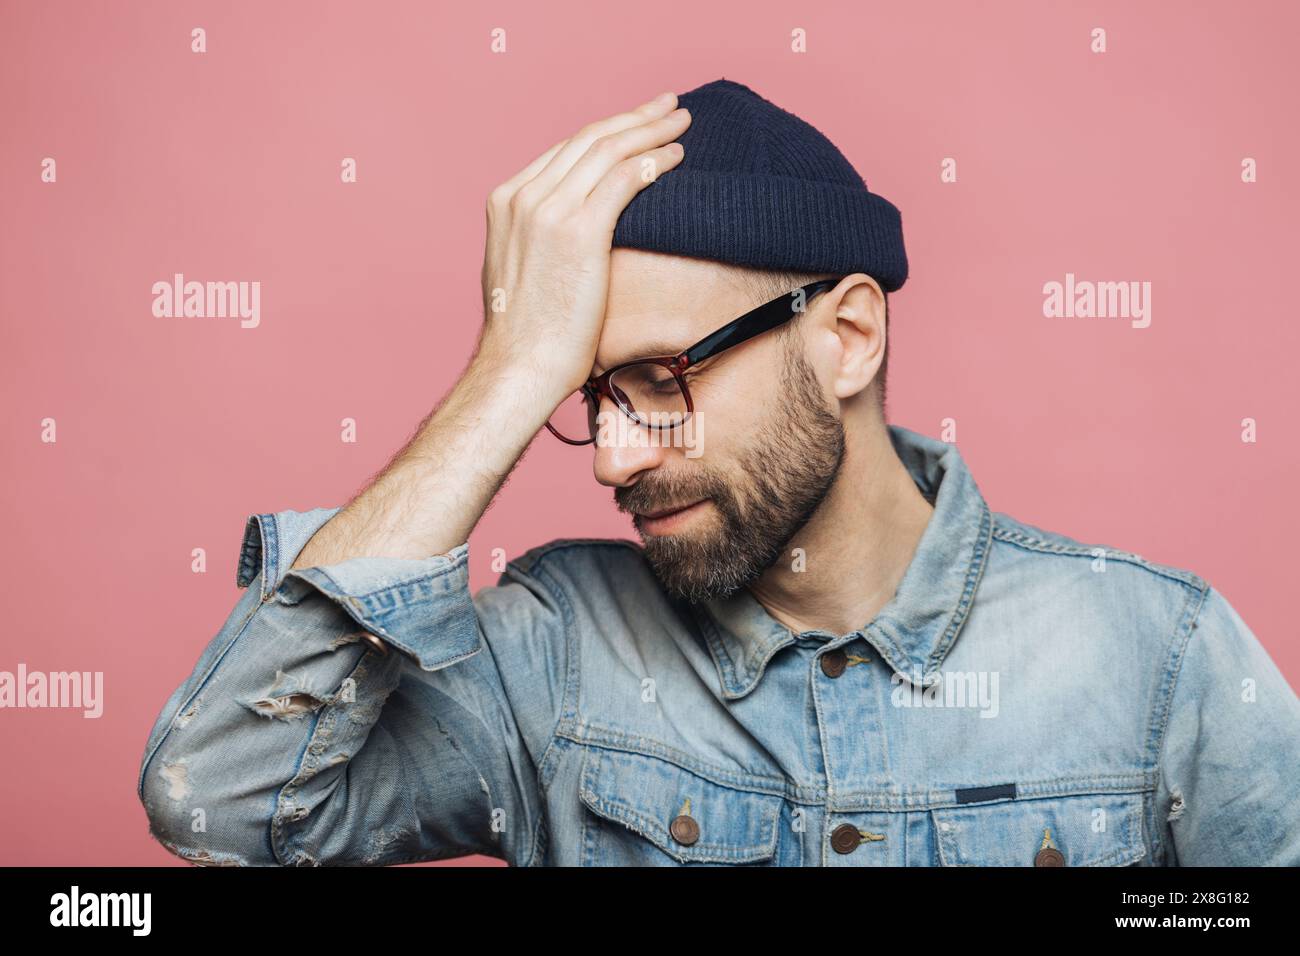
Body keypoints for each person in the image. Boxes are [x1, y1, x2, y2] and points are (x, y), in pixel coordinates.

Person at [137, 78, 1300, 866]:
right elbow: (220, 795)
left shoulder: (1155, 654)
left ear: (845, 336)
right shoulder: (552, 656)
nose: (611, 455)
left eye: (658, 376)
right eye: (588, 395)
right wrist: (505, 368)